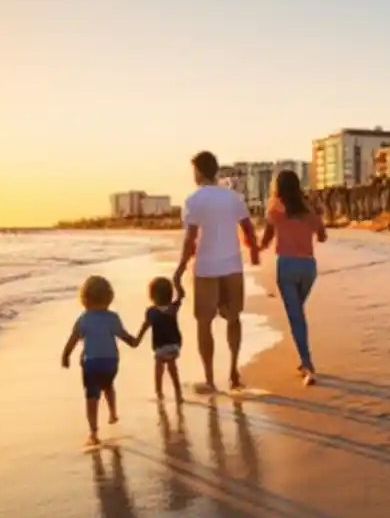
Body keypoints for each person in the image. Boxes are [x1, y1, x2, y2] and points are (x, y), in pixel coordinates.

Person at [172, 151, 260, 393]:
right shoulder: (233, 197)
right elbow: (248, 230)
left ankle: (210, 379)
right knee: (234, 318)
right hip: (232, 266)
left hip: (206, 268)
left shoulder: (193, 200)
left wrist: (179, 270)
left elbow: (190, 241)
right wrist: (253, 253)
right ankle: (233, 373)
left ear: (199, 171)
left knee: (204, 323)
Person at [259, 169, 328, 386]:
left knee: (296, 317)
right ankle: (304, 361)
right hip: (308, 267)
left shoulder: (275, 210)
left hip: (287, 266)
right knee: (298, 314)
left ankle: (308, 365)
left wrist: (250, 246)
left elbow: (266, 241)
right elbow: (323, 237)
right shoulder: (309, 210)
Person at [61, 275, 139, 446]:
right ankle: (112, 413)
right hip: (111, 362)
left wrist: (66, 355)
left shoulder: (84, 318)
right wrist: (134, 340)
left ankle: (93, 433)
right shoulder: (112, 317)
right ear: (109, 297)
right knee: (108, 385)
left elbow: (73, 339)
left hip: (92, 364)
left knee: (92, 396)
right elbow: (124, 336)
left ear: (85, 298)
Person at [135, 277, 183, 402]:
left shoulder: (151, 312)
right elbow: (181, 297)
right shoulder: (173, 309)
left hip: (160, 345)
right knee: (172, 367)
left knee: (158, 368)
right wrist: (179, 287)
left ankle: (159, 392)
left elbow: (145, 326)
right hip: (174, 344)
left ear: (152, 296)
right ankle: (178, 391)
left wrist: (137, 339)